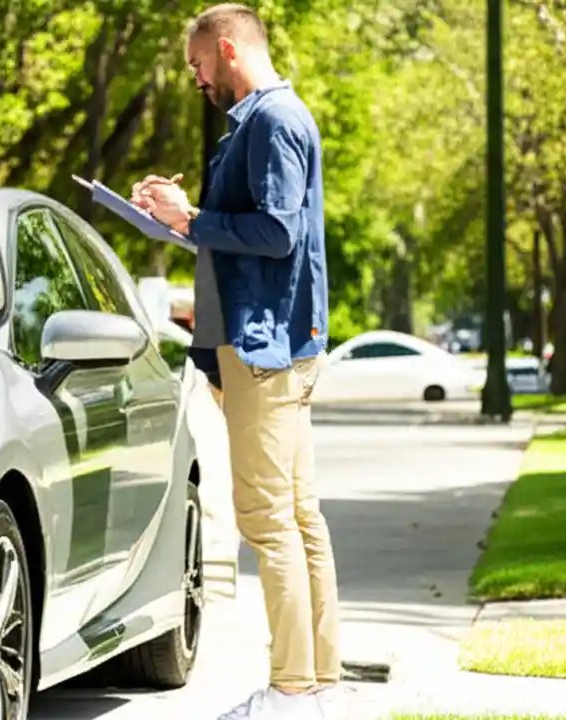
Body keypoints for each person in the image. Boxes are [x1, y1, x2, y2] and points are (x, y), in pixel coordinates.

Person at [131, 4, 343, 719]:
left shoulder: (274, 121)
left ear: (227, 49)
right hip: (270, 343)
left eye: (197, 65)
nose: (195, 78)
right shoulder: (262, 122)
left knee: (268, 521)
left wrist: (189, 220)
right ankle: (316, 686)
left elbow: (277, 233)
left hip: (266, 349)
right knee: (299, 518)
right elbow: (246, 234)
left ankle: (289, 695)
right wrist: (180, 214)